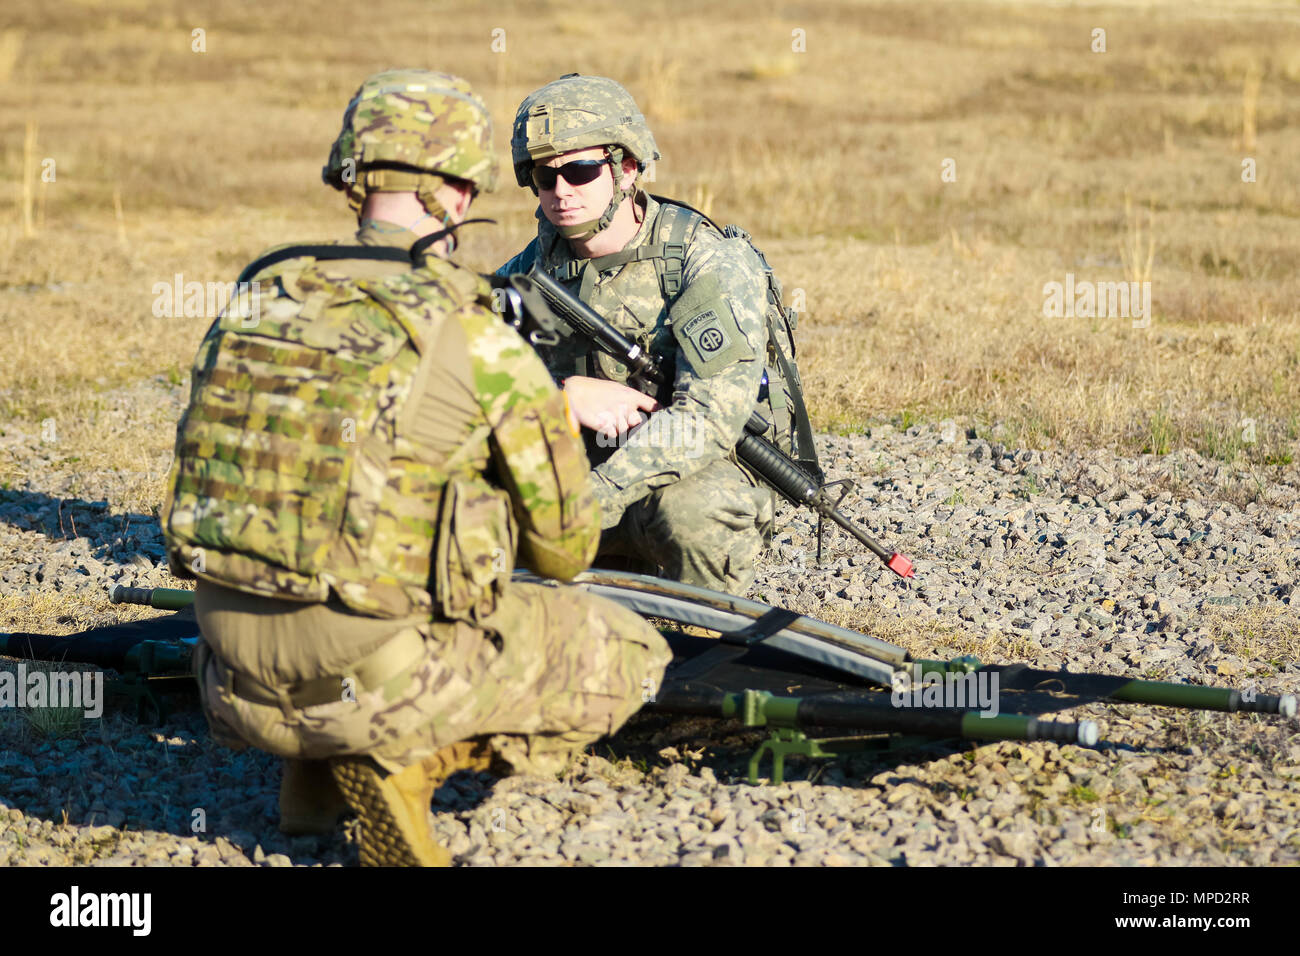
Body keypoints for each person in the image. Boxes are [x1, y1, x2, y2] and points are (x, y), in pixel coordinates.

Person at [161, 69, 670, 867]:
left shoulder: (255, 306)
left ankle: (310, 781)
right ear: (459, 195)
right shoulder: (478, 338)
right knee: (634, 655)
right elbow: (566, 552)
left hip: (229, 684)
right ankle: (405, 764)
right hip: (376, 681)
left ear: (351, 179)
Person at [498, 74, 791, 595]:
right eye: (545, 176)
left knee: (693, 511)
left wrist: (588, 501)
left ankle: (704, 646)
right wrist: (561, 401)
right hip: (580, 483)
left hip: (681, 477)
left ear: (627, 167)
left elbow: (707, 421)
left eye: (581, 171)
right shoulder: (528, 273)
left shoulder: (704, 262)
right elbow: (459, 394)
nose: (561, 192)